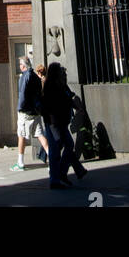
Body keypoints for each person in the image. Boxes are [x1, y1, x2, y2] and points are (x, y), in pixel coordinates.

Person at [41, 62, 86, 191]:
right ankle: (56, 178)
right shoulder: (51, 87)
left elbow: (67, 99)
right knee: (57, 149)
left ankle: (61, 173)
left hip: (60, 122)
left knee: (66, 145)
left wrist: (76, 107)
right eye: (59, 71)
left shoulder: (60, 85)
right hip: (54, 123)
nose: (62, 72)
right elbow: (51, 105)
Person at [11, 56, 50, 172]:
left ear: (23, 65)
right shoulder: (35, 76)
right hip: (36, 111)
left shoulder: (24, 77)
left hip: (26, 111)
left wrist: (20, 108)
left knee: (21, 135)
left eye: (20, 64)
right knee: (40, 134)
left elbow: (22, 93)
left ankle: (20, 162)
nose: (19, 66)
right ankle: (53, 160)